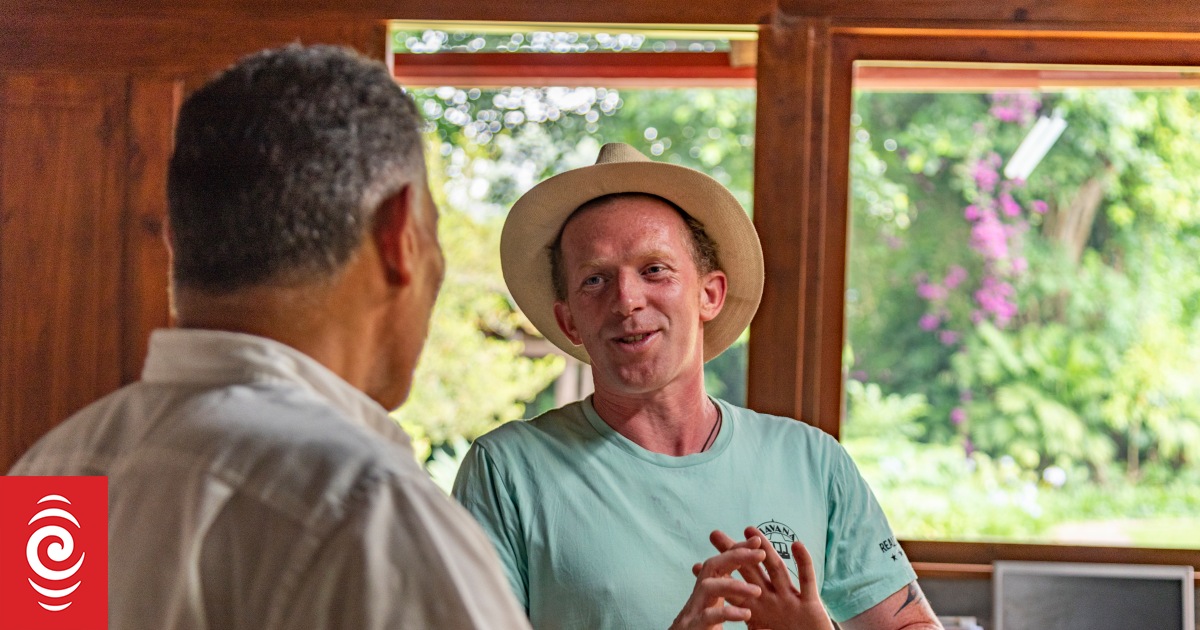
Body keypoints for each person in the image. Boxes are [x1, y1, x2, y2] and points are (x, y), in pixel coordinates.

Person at [10, 45, 531, 630]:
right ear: (399, 235)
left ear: (176, 243)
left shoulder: (50, 481)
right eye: (433, 234)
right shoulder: (366, 507)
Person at [452, 143, 943, 629]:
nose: (626, 300)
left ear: (710, 294)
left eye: (654, 270)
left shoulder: (813, 461)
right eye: (595, 280)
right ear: (569, 322)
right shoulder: (505, 472)